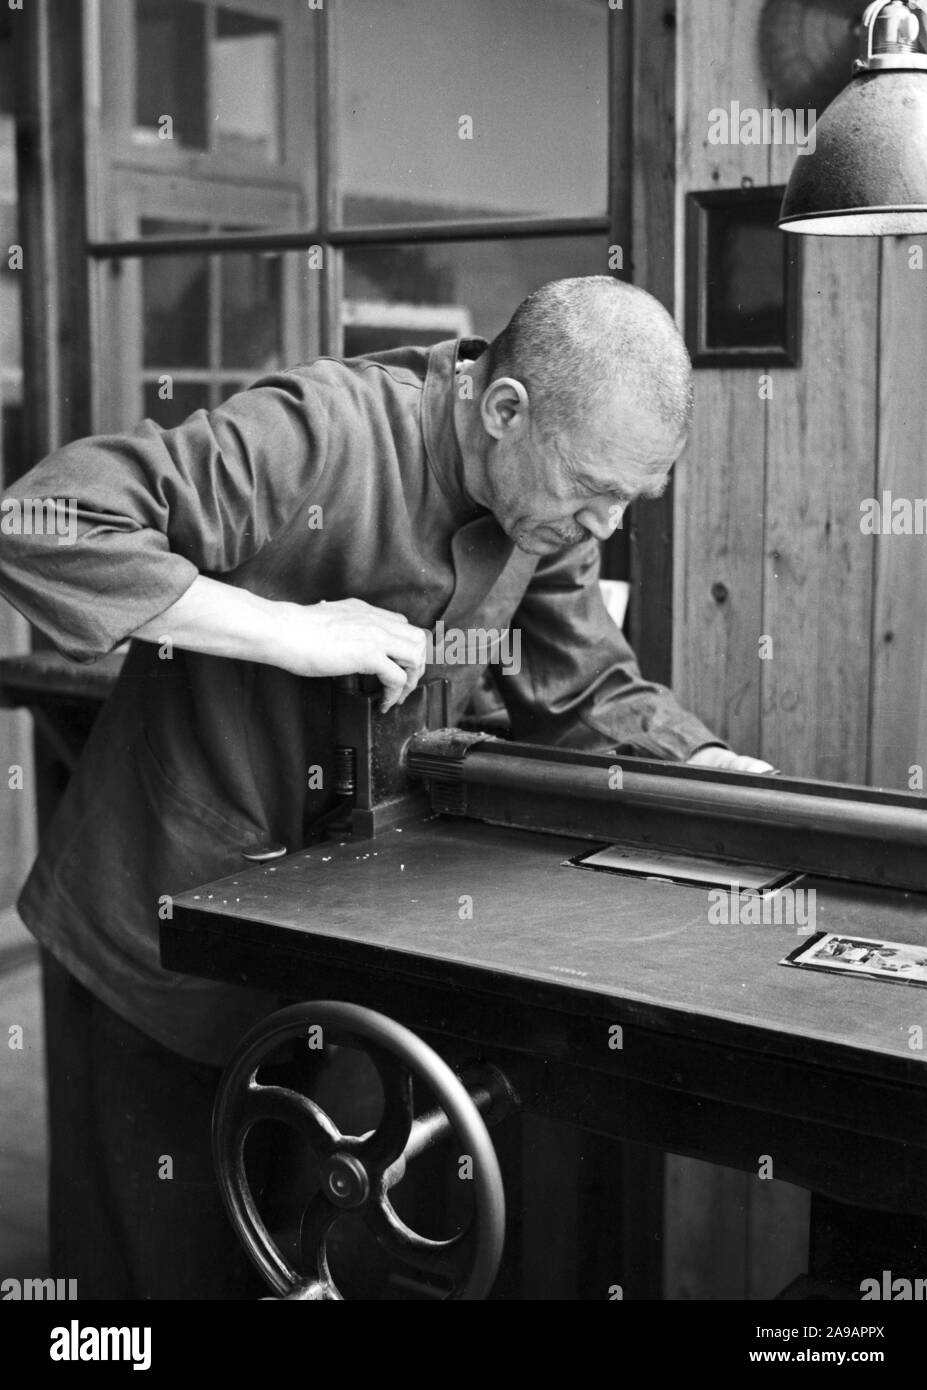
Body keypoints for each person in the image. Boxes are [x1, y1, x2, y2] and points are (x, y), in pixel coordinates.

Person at [0, 275, 771, 1298]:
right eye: (595, 490)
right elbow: (42, 520)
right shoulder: (318, 434)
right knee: (164, 1265)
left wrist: (711, 770)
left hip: (339, 946)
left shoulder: (543, 513)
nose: (606, 524)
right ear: (503, 412)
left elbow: (577, 682)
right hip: (163, 924)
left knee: (297, 1255)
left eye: (631, 498)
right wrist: (293, 632)